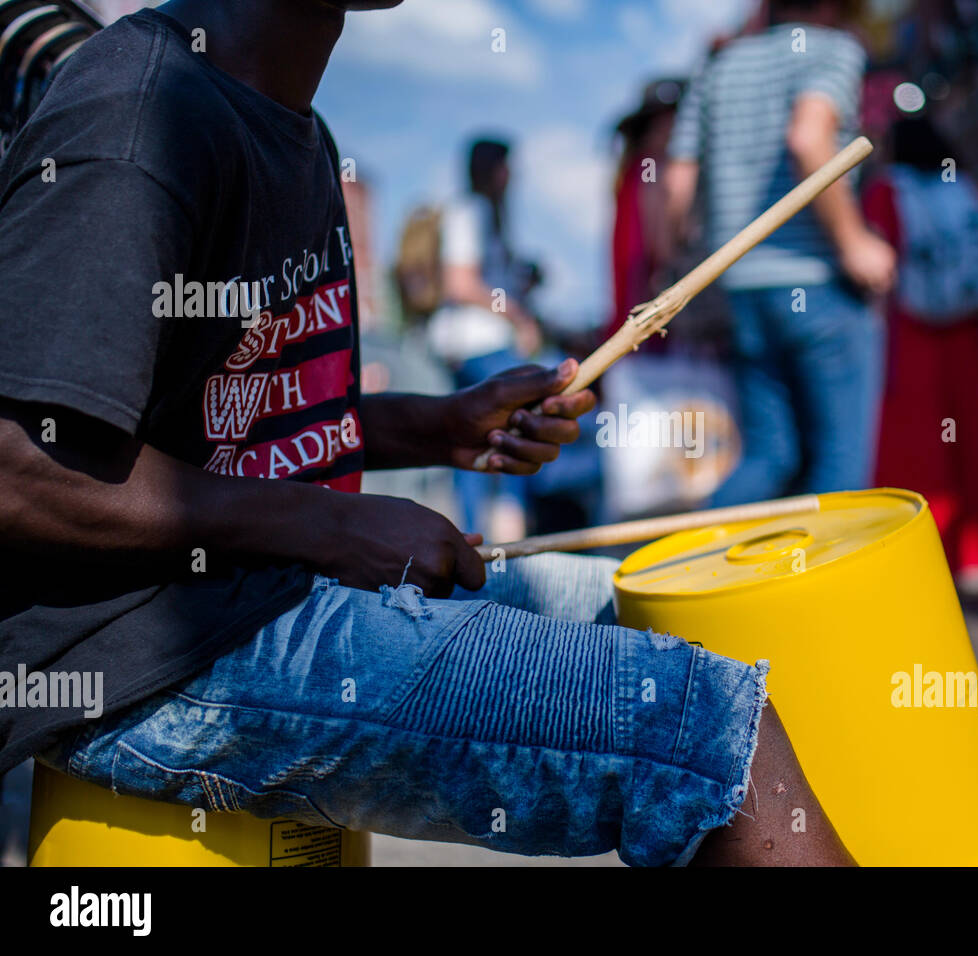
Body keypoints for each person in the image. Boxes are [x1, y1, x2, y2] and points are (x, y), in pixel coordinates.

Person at [0, 0, 855, 866]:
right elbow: (23, 470)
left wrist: (438, 424)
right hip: (147, 658)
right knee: (694, 722)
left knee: (670, 606)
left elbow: (228, 417)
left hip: (270, 592)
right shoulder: (140, 111)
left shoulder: (299, 126)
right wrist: (333, 525)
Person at [664, 0, 895, 506]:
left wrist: (683, 257)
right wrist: (854, 243)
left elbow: (677, 185)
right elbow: (809, 138)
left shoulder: (720, 66)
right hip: (816, 283)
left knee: (771, 457)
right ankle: (823, 587)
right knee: (840, 463)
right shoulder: (833, 50)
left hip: (742, 290)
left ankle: (701, 567)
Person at [862, 116, 978, 581]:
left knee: (916, 446)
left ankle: (920, 554)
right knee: (972, 434)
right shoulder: (963, 188)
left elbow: (879, 266)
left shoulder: (887, 190)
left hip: (910, 332)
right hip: (968, 331)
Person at [428, 137, 538, 541]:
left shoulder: (485, 215)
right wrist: (519, 316)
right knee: (518, 429)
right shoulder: (470, 210)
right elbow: (460, 282)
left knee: (471, 439)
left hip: (467, 345)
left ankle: (475, 540)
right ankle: (508, 529)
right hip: (481, 344)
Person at [607, 78, 683, 347]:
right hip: (654, 317)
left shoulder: (630, 169)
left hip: (631, 320)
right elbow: (658, 242)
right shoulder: (654, 167)